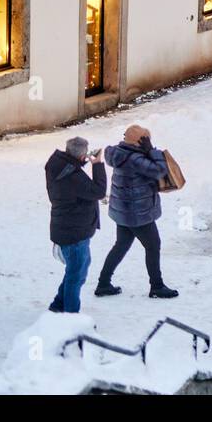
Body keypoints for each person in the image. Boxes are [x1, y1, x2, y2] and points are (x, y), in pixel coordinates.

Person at [96, 125, 179, 299]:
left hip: (124, 210)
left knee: (121, 246)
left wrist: (147, 151)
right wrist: (152, 151)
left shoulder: (119, 153)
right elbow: (160, 170)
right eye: (147, 140)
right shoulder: (134, 159)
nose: (150, 143)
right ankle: (156, 287)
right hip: (137, 213)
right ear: (139, 142)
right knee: (153, 245)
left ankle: (103, 283)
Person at [46, 137, 107, 314]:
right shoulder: (73, 176)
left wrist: (81, 161)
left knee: (78, 270)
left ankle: (58, 305)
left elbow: (73, 173)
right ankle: (71, 317)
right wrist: (97, 164)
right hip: (74, 233)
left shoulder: (58, 165)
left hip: (69, 228)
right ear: (81, 156)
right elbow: (99, 191)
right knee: (76, 276)